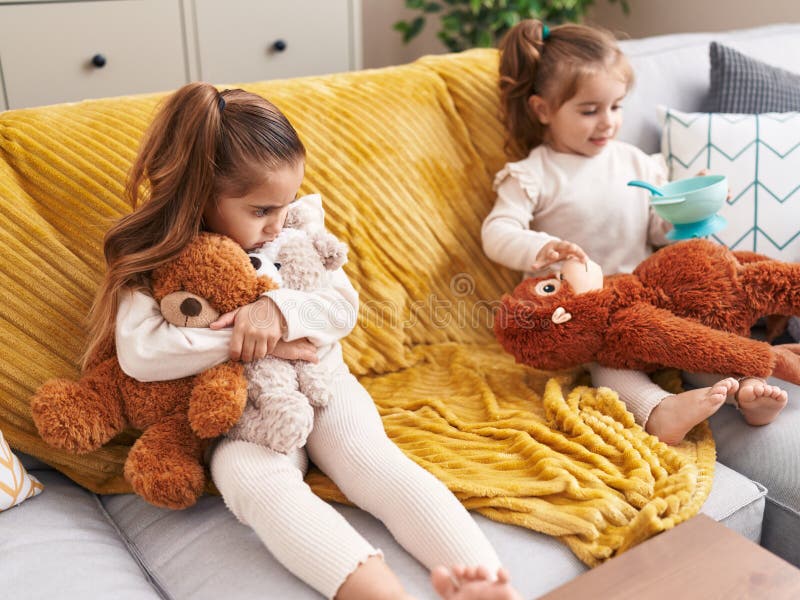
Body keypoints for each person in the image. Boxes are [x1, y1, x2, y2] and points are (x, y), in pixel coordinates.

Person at [84, 82, 522, 600]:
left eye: (285, 203)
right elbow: (141, 355)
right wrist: (244, 343)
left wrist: (279, 312)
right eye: (260, 210)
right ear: (199, 197)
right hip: (237, 417)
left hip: (321, 382)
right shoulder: (160, 258)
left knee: (373, 463)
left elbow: (342, 308)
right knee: (254, 485)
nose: (277, 222)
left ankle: (486, 588)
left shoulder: (294, 225)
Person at [482, 19, 788, 445]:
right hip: (591, 319)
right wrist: (542, 247)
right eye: (589, 111)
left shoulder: (637, 164)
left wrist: (684, 211)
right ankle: (659, 412)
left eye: (617, 106)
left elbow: (659, 232)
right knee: (612, 367)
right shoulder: (533, 174)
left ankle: (744, 390)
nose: (607, 122)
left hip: (650, 295)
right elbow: (497, 231)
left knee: (698, 341)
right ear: (543, 110)